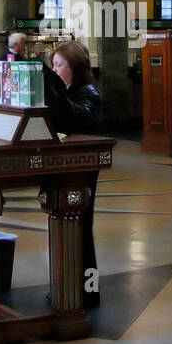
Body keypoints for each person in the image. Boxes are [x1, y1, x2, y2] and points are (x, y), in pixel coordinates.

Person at [42, 40, 104, 308]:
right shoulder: (67, 91)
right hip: (62, 165)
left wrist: (55, 92)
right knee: (66, 225)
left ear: (75, 67)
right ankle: (66, 284)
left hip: (80, 169)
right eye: (53, 64)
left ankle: (87, 291)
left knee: (80, 227)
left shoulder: (88, 93)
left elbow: (79, 118)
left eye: (60, 65)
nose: (55, 70)